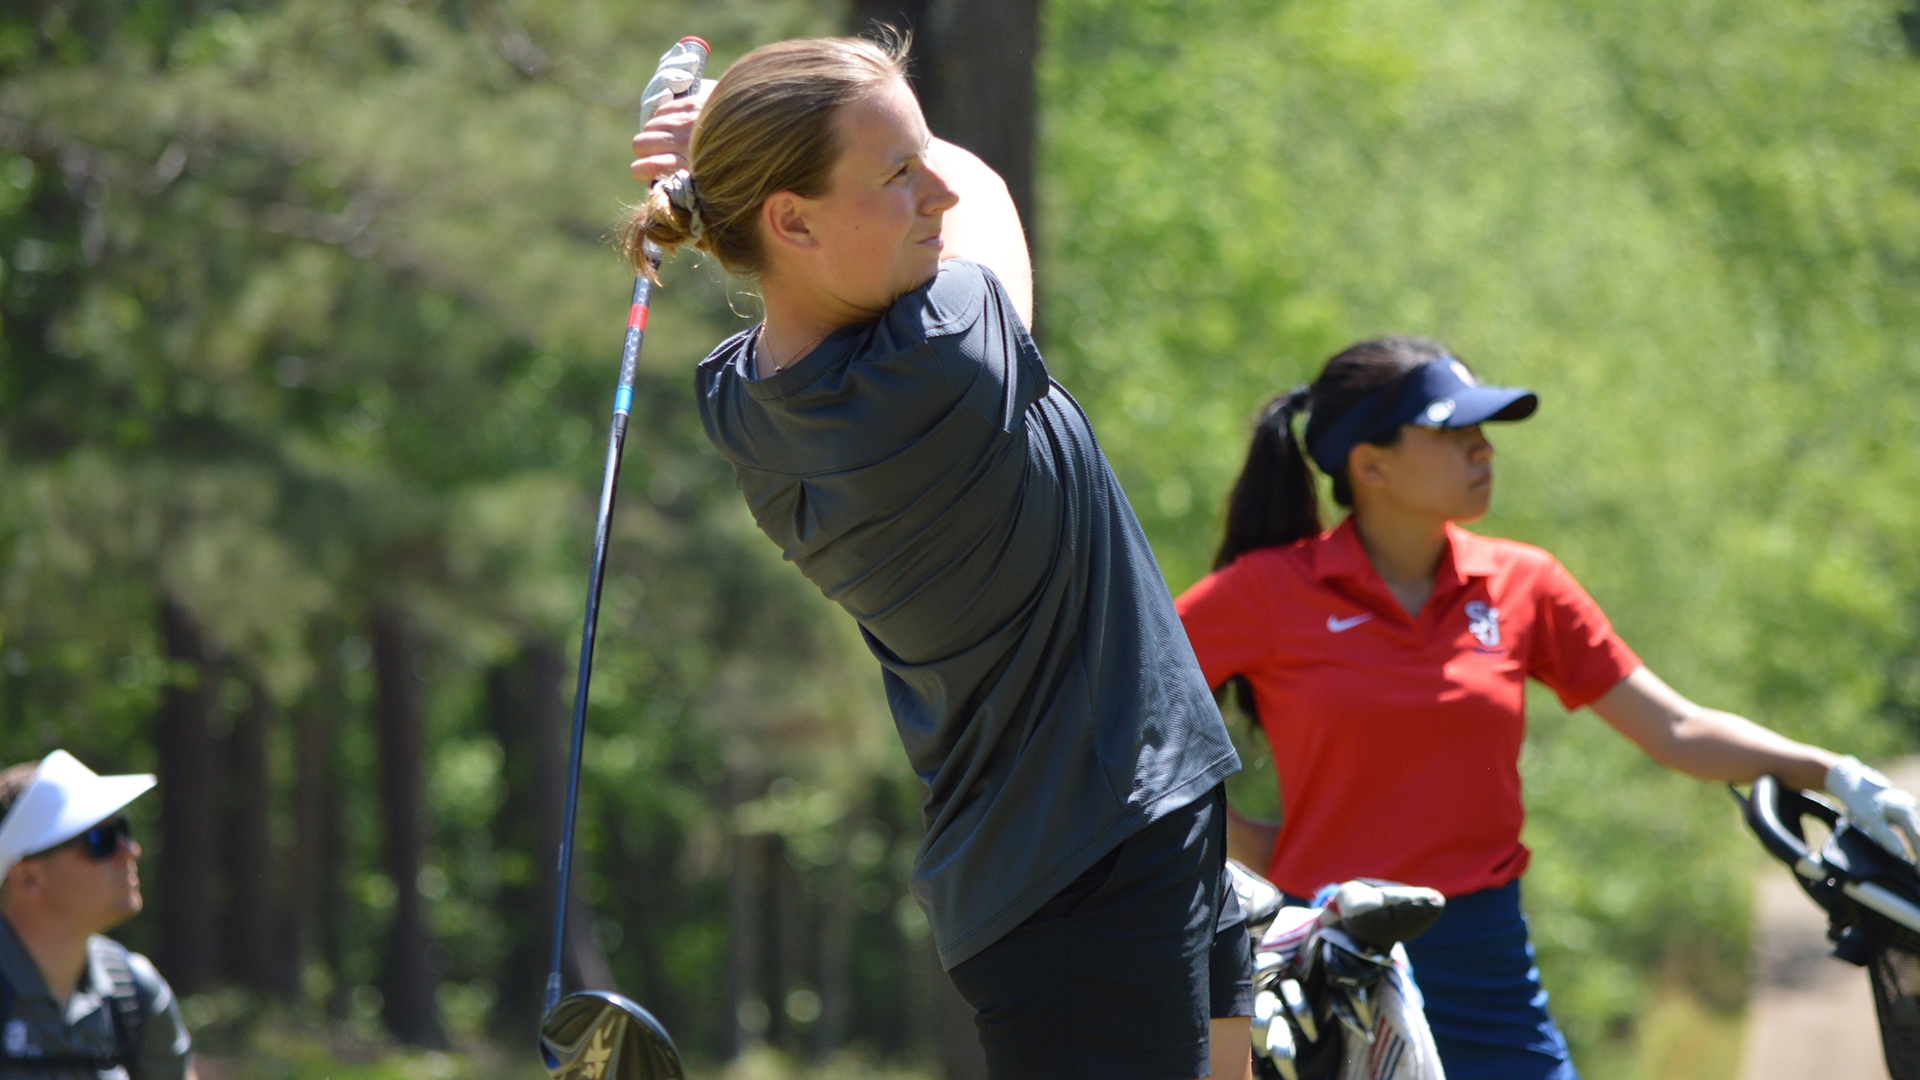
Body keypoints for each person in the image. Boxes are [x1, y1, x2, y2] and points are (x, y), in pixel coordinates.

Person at [625, 34, 1252, 1079]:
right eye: (896, 174)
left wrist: (733, 144)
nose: (934, 196)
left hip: (1123, 820)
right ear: (791, 219)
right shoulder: (945, 354)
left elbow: (878, 216)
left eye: (919, 161)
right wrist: (726, 127)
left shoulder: (742, 400)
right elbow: (989, 186)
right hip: (1085, 876)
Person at [1173, 336, 1920, 1080]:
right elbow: (1126, 716)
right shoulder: (1267, 592)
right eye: (1452, 432)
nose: (1484, 450)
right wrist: (1238, 845)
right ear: (1371, 466)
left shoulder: (1524, 583)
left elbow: (1676, 726)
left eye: (1484, 431)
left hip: (1485, 958)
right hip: (1333, 962)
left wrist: (1832, 771)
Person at [0, 750, 194, 1079]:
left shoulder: (135, 993)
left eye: (124, 830)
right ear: (29, 878)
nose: (130, 850)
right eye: (100, 840)